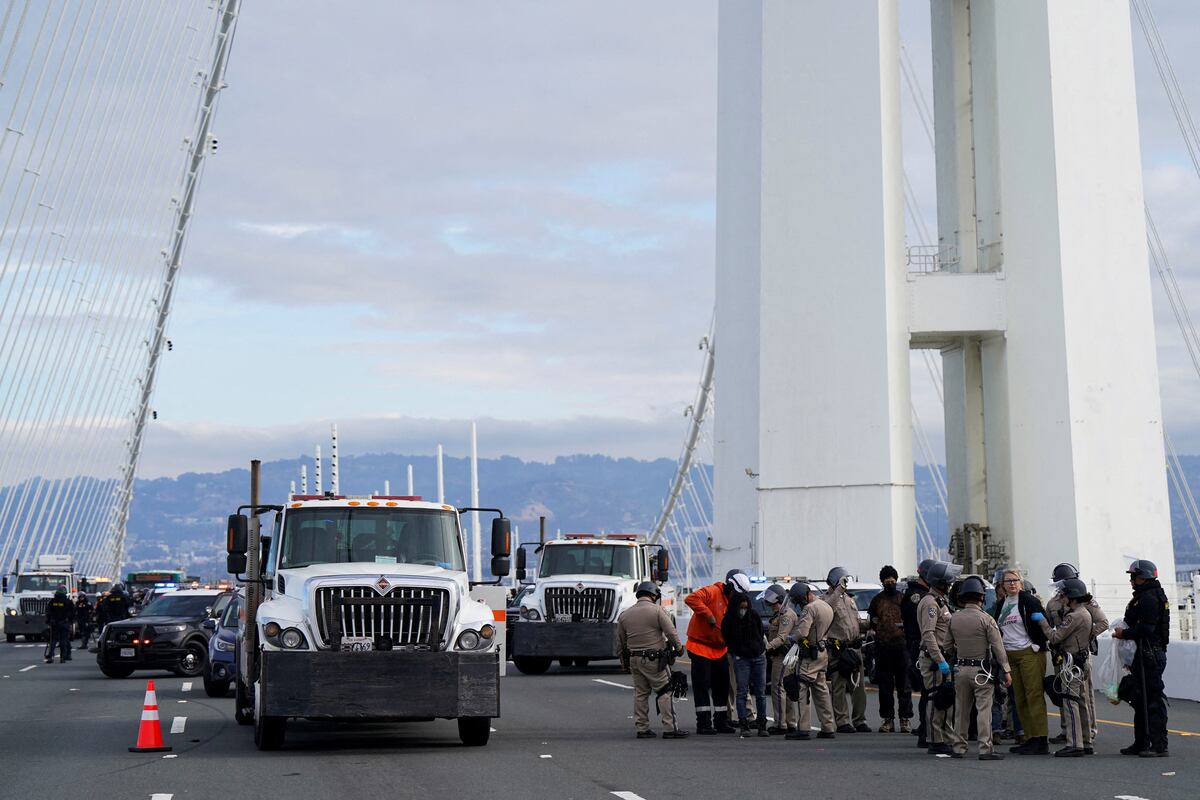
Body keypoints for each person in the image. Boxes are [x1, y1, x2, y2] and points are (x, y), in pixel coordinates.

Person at [946, 575, 1011, 760]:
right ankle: (985, 748)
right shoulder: (986, 619)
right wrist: (1006, 670)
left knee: (961, 710)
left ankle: (959, 746)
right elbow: (998, 648)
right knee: (984, 709)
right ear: (981, 597)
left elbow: (947, 645)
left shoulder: (954, 619)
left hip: (961, 669)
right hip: (982, 671)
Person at [1112, 559, 1170, 757]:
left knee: (1152, 700)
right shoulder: (1147, 595)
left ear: (1141, 577)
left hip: (1149, 654)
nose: (1131, 581)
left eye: (1133, 577)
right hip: (1144, 653)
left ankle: (1159, 745)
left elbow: (1146, 628)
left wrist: (1123, 634)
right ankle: (1142, 742)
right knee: (1140, 699)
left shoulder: (1148, 598)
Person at [617, 581, 688, 739]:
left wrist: (624, 663)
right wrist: (679, 648)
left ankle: (642, 728)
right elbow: (671, 633)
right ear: (653, 595)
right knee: (665, 690)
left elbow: (620, 643)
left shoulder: (625, 615)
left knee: (641, 693)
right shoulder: (657, 611)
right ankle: (670, 728)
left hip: (635, 659)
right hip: (653, 659)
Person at [996, 568, 1052, 755]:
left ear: (1021, 582)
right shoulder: (1002, 604)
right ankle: (1030, 737)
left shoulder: (1029, 601)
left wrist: (1038, 643)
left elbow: (1044, 623)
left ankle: (1041, 739)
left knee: (1034, 695)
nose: (1012, 584)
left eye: (1015, 580)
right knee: (1019, 697)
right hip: (1010, 654)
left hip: (1029, 652)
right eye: (1008, 581)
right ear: (1002, 585)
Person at [685, 569, 744, 734]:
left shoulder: (733, 602)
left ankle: (721, 721)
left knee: (722, 686)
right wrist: (708, 614)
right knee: (702, 686)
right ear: (729, 587)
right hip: (700, 647)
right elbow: (691, 598)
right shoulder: (712, 591)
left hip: (720, 649)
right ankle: (703, 723)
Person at [1046, 578, 1098, 758]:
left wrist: (1042, 623)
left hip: (1072, 663)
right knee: (1081, 700)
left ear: (1072, 596)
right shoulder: (1085, 613)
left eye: (1064, 594)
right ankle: (1086, 740)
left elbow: (1055, 637)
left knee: (1070, 701)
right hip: (1081, 660)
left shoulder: (1074, 616)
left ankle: (1075, 743)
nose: (1062, 597)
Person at [917, 560, 961, 755]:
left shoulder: (940, 601)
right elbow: (928, 634)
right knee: (937, 699)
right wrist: (940, 660)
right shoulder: (930, 603)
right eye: (949, 582)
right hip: (935, 658)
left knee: (946, 699)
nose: (951, 585)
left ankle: (945, 737)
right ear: (941, 582)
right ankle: (935, 740)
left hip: (944, 656)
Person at [784, 582, 836, 740]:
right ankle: (828, 726)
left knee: (802, 690)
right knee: (821, 691)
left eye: (799, 601)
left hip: (810, 655)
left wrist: (790, 638)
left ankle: (803, 728)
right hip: (822, 652)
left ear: (804, 598)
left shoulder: (809, 608)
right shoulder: (825, 605)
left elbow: (803, 632)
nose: (799, 605)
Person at [867, 565, 912, 734]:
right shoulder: (877, 600)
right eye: (887, 581)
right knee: (885, 687)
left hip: (902, 648)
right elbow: (872, 621)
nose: (890, 584)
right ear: (883, 582)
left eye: (893, 581)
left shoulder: (903, 598)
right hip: (883, 648)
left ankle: (905, 719)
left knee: (904, 686)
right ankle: (888, 720)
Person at [825, 566, 869, 734]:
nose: (846, 584)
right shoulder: (828, 599)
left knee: (858, 687)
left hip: (854, 648)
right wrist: (838, 590)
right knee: (839, 687)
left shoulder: (850, 600)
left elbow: (857, 622)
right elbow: (827, 609)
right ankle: (842, 721)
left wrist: (871, 623)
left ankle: (860, 720)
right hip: (838, 649)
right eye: (843, 581)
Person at [722, 589, 769, 737]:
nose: (743, 611)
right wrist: (738, 651)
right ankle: (744, 725)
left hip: (758, 656)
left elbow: (760, 633)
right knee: (742, 692)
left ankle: (762, 725)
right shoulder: (729, 619)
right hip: (741, 658)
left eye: (745, 607)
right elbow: (727, 637)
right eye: (741, 608)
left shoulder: (753, 615)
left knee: (761, 693)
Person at [988, 571, 1023, 747]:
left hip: (1014, 653)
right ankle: (996, 731)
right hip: (997, 655)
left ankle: (1019, 731)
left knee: (1015, 694)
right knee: (996, 694)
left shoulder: (1021, 604)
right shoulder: (995, 608)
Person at [902, 558, 935, 747]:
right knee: (928, 690)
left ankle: (926, 727)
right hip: (920, 647)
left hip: (920, 646)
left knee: (929, 690)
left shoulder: (922, 595)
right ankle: (925, 729)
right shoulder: (917, 596)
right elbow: (921, 626)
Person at [763, 583, 799, 735]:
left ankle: (780, 723)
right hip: (783, 655)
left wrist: (767, 647)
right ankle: (789, 722)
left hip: (784, 655)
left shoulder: (786, 615)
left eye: (775, 603)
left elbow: (782, 637)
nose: (773, 606)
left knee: (778, 688)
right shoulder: (780, 614)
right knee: (785, 688)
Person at [44, 587, 75, 664]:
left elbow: (48, 612)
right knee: (63, 641)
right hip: (64, 623)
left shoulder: (52, 601)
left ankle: (50, 657)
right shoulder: (68, 602)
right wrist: (70, 622)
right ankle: (62, 658)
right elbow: (73, 613)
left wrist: (49, 621)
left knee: (53, 641)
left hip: (54, 624)